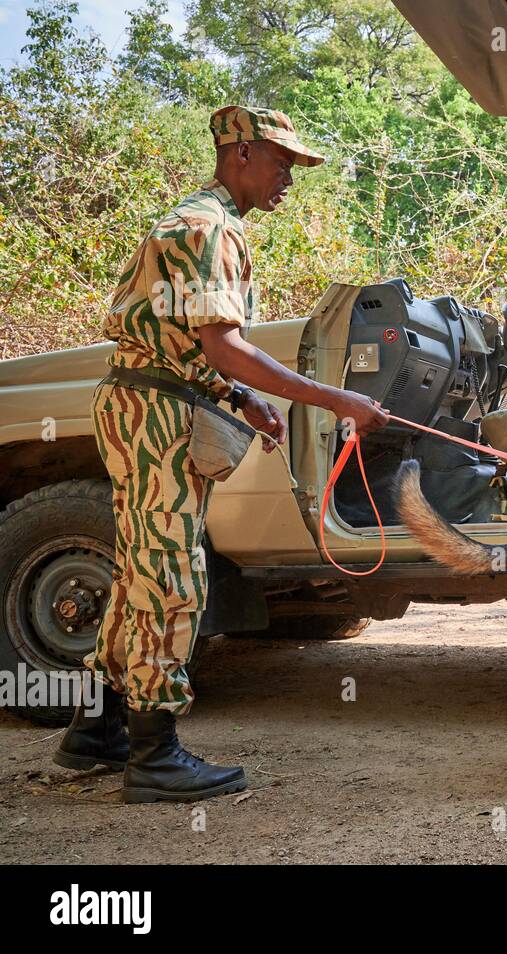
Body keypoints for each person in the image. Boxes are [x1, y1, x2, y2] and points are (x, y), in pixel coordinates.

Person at [53, 106, 389, 803]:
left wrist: (240, 398)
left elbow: (195, 345)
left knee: (142, 570)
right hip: (157, 414)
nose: (288, 178)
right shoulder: (207, 228)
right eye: (280, 162)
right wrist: (335, 400)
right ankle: (154, 756)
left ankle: (98, 729)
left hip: (158, 402)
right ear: (238, 153)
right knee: (172, 577)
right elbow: (223, 346)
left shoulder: (207, 222)